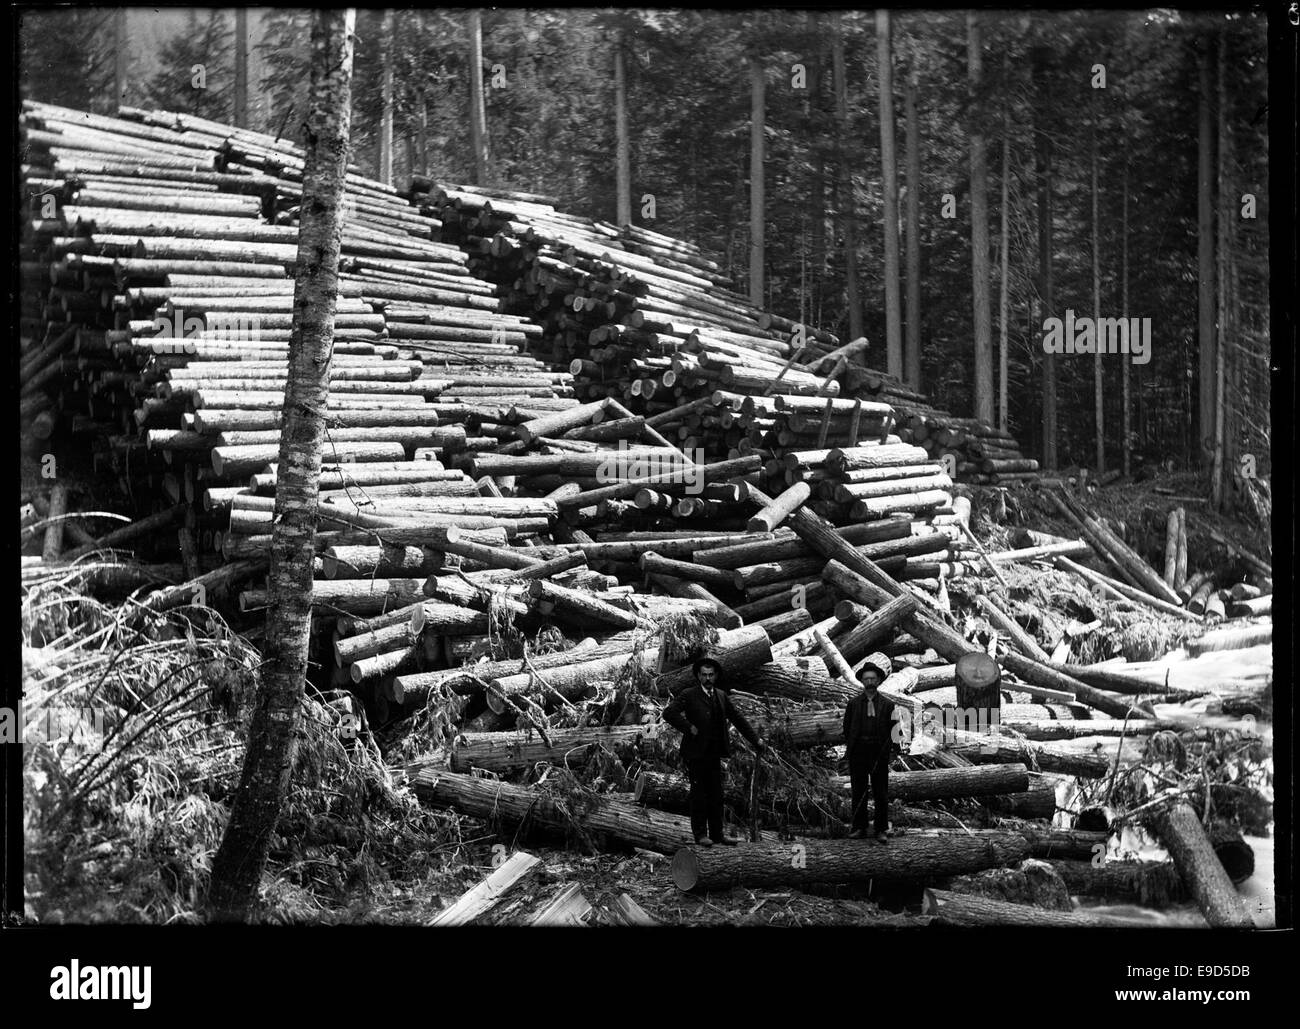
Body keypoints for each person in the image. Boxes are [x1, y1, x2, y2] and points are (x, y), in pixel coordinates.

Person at [662, 654, 767, 847]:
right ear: (698, 676)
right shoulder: (689, 694)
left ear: (716, 676)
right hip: (695, 753)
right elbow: (668, 713)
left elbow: (738, 719)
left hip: (714, 753)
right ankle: (700, 835)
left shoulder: (720, 695)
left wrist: (756, 739)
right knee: (699, 795)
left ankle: (718, 835)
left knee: (716, 795)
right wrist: (688, 727)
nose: (707, 678)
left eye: (711, 675)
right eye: (704, 675)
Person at [843, 652, 898, 839]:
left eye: (873, 678)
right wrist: (850, 749)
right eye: (866, 678)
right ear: (862, 681)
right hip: (859, 752)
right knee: (858, 790)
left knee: (880, 791)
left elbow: (895, 730)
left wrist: (893, 752)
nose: (869, 681)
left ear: (879, 680)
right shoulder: (853, 704)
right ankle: (859, 827)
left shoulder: (889, 705)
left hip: (878, 752)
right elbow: (847, 728)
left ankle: (881, 828)